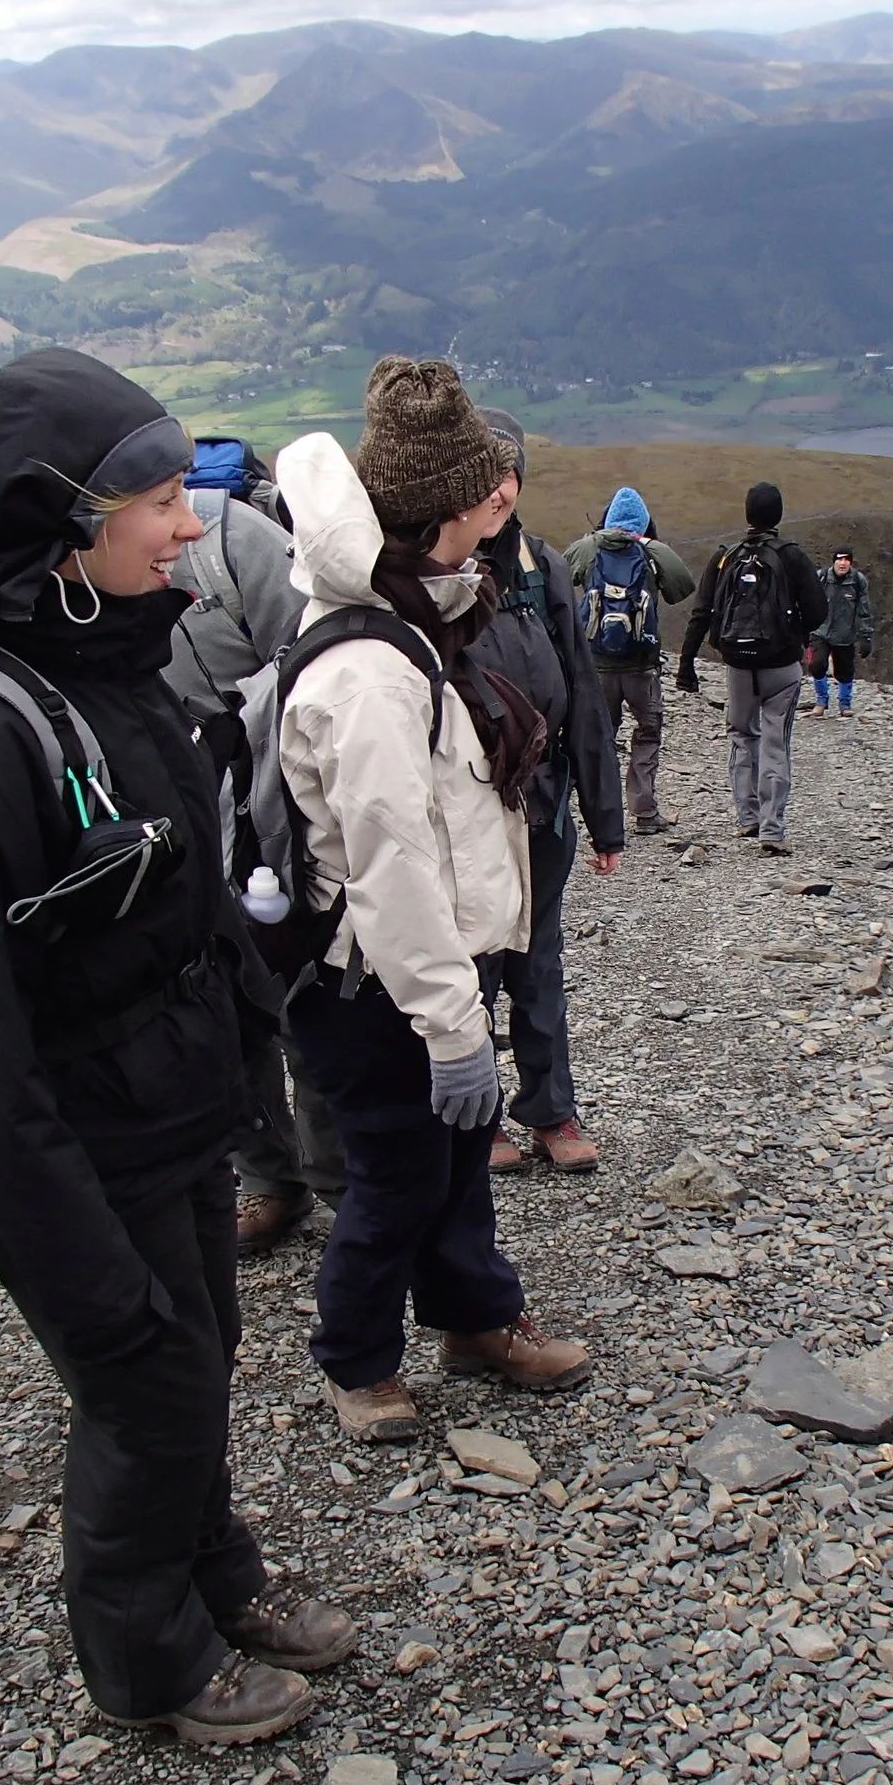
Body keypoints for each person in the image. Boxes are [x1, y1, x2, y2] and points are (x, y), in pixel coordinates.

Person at [0, 347, 351, 1747]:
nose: (191, 520)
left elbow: (181, 898)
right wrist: (65, 1242)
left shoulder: (111, 663)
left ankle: (215, 1582)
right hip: (78, 1155)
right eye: (155, 499)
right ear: (66, 529)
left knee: (192, 1357)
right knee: (141, 1381)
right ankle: (148, 1661)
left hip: (166, 1121)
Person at [277, 356, 593, 1445]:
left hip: (426, 972)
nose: (498, 507)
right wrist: (452, 1025)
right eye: (483, 492)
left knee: (455, 1157)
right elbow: (391, 863)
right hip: (373, 984)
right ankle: (356, 1364)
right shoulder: (371, 670)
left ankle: (474, 1322)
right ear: (448, 509)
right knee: (398, 1171)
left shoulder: (412, 618)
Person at [163, 437, 346, 1255]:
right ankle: (267, 1179)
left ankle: (337, 1177)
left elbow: (305, 666)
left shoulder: (235, 541)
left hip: (267, 805)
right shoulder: (80, 567)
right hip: (177, 811)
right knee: (222, 1004)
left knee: (294, 990)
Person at [466, 410, 626, 1175]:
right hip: (468, 812)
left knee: (539, 960)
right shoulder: (435, 567)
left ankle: (550, 1110)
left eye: (506, 468)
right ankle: (479, 1118)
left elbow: (585, 696)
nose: (496, 484)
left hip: (544, 806)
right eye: (481, 468)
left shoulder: (541, 569)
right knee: (475, 964)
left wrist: (605, 819)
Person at [677, 482, 826, 856]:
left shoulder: (727, 557)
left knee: (743, 735)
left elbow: (702, 612)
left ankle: (748, 816)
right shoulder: (791, 556)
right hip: (782, 667)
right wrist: (795, 634)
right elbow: (819, 611)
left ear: (747, 514)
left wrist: (686, 664)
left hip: (738, 666)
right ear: (778, 514)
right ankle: (772, 830)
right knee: (776, 742)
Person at [565, 487, 695, 833]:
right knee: (647, 734)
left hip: (597, 666)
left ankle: (598, 815)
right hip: (642, 666)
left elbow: (560, 582)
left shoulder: (587, 548)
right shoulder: (653, 552)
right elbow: (682, 588)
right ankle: (645, 812)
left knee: (600, 737)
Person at [810, 546, 875, 717]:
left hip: (845, 634)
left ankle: (845, 703)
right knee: (817, 665)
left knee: (845, 671)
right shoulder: (821, 577)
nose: (843, 563)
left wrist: (866, 637)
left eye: (847, 559)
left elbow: (864, 610)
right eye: (839, 559)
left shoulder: (858, 581)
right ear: (834, 561)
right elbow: (808, 602)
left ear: (851, 562)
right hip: (820, 631)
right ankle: (821, 701)